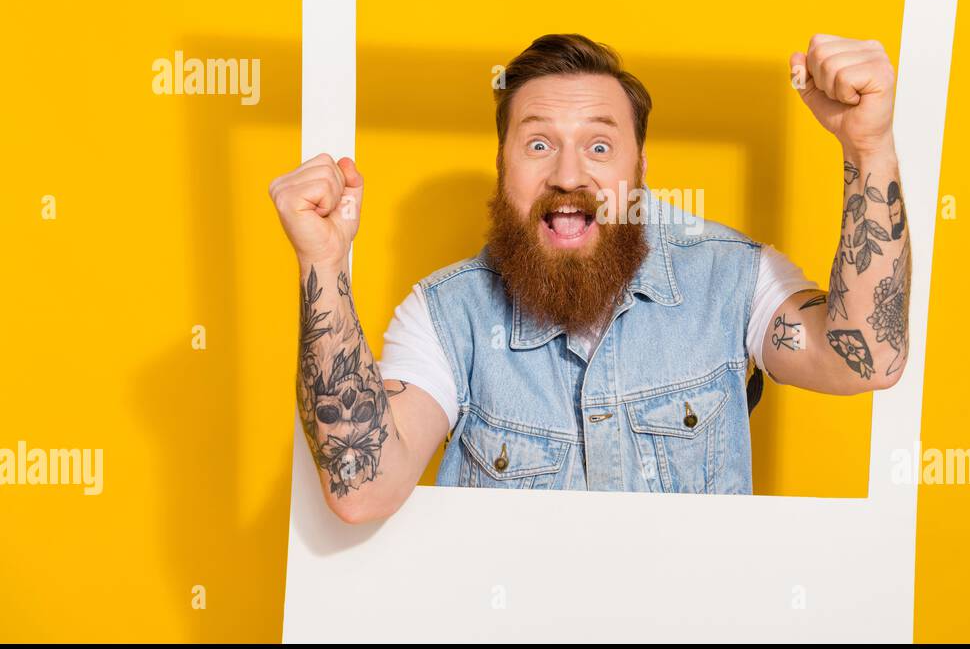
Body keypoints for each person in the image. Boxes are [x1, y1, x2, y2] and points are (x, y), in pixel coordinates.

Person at [269, 33, 911, 522]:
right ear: (503, 168)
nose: (569, 175)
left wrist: (868, 145)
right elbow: (362, 486)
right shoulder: (445, 316)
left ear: (641, 167)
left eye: (600, 147)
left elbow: (866, 360)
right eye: (539, 144)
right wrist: (322, 263)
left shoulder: (731, 279)